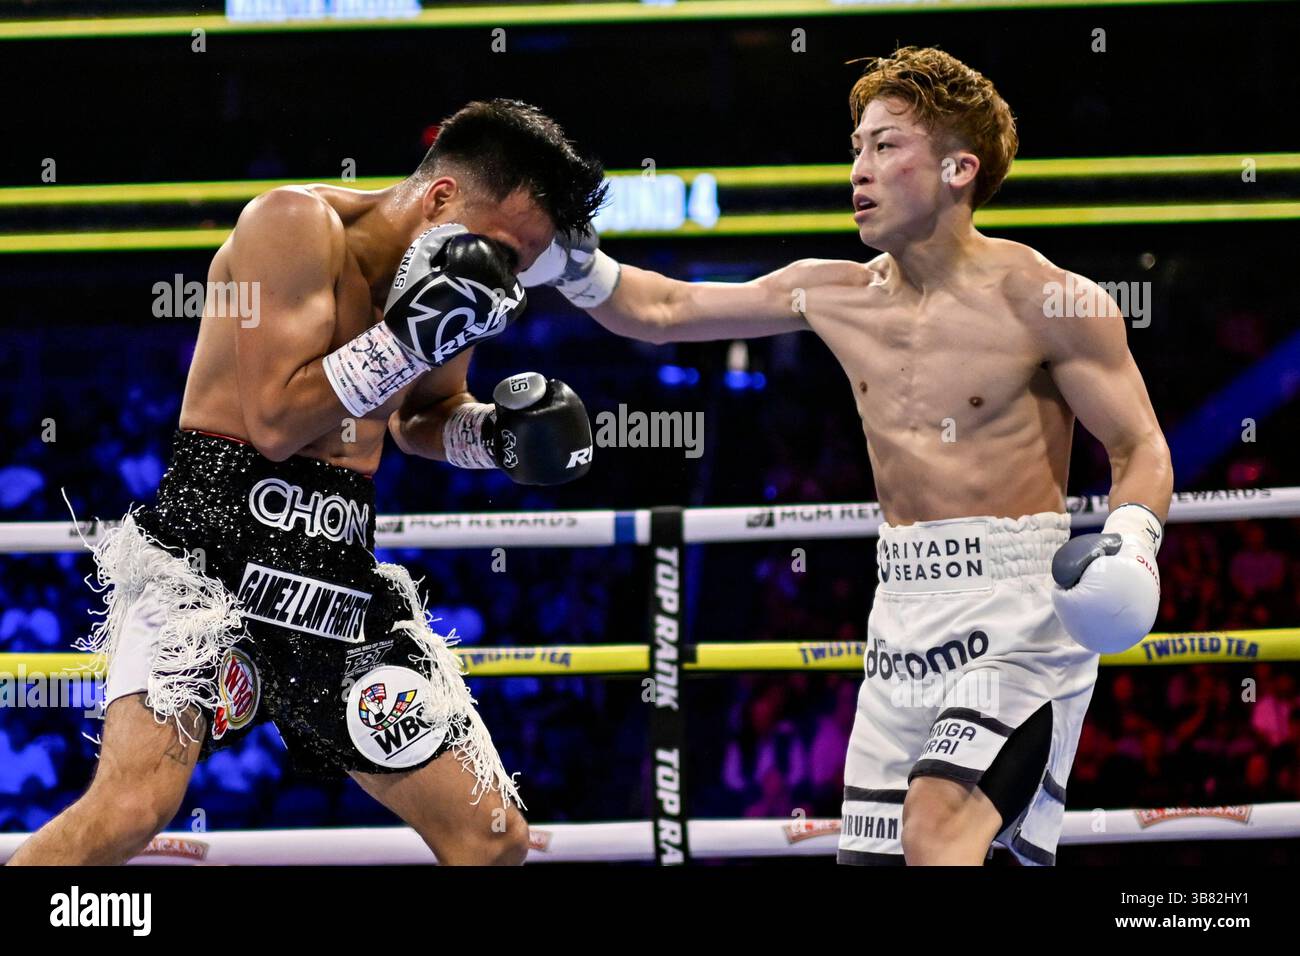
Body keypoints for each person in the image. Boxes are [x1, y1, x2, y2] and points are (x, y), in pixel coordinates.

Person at [521, 47, 1172, 865]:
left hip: (1021, 611)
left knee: (940, 827)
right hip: (899, 613)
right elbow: (665, 308)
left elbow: (1138, 445)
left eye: (885, 146)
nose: (858, 169)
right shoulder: (833, 292)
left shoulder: (1049, 299)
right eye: (856, 146)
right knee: (875, 858)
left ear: (958, 168)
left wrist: (1134, 541)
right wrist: (565, 258)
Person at [8, 99, 605, 866]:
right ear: (442, 199)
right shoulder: (291, 225)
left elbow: (422, 417)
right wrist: (406, 335)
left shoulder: (456, 284)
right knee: (133, 808)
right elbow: (277, 421)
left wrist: (492, 437)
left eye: (519, 265)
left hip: (334, 578)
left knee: (491, 841)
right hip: (207, 560)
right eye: (503, 251)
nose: (506, 279)